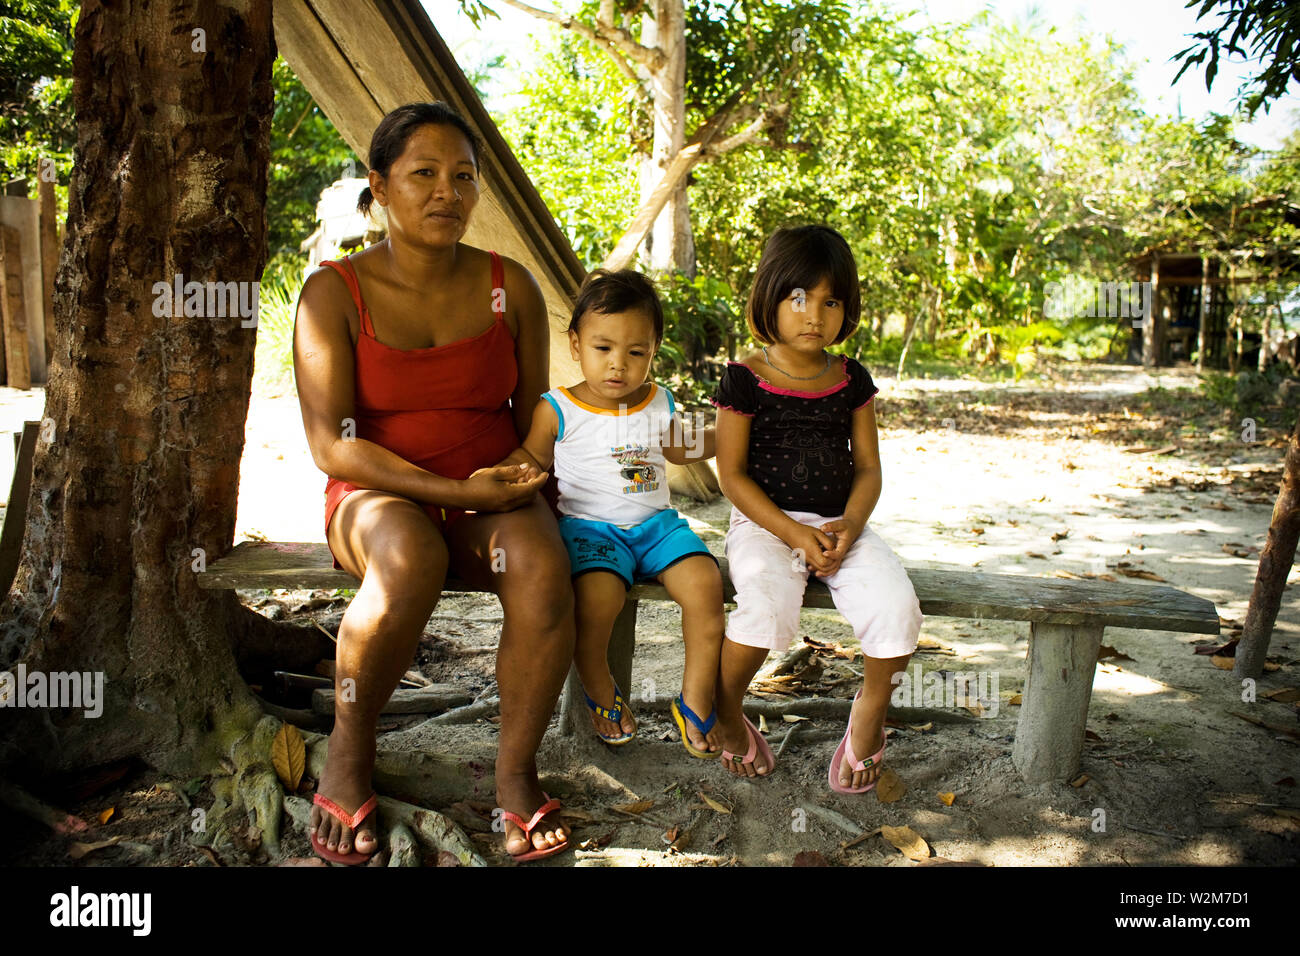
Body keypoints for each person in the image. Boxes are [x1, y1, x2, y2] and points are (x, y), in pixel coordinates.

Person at [293, 101, 572, 863]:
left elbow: (534, 418)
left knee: (545, 566)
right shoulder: (332, 294)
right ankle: (350, 753)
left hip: (491, 493)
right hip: (374, 496)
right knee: (408, 557)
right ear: (379, 187)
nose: (447, 192)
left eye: (463, 177)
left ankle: (514, 774)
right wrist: (456, 494)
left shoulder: (508, 287)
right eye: (423, 174)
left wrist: (515, 478)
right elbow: (332, 446)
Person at [710, 224, 923, 790]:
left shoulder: (851, 378)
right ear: (770, 298)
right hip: (764, 524)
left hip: (840, 525)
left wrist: (849, 526)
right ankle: (726, 709)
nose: (814, 315)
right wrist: (792, 534)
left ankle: (869, 716)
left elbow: (870, 468)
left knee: (897, 607)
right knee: (765, 599)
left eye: (831, 301)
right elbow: (730, 476)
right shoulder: (744, 379)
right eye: (799, 297)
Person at [512, 269, 726, 757]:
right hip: (591, 531)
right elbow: (531, 457)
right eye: (603, 348)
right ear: (575, 345)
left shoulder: (660, 400)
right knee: (597, 603)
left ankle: (694, 696)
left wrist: (726, 435)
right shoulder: (558, 408)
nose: (618, 365)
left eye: (636, 353)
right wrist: (509, 472)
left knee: (705, 587)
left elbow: (678, 449)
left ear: (653, 352)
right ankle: (599, 685)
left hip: (657, 529)